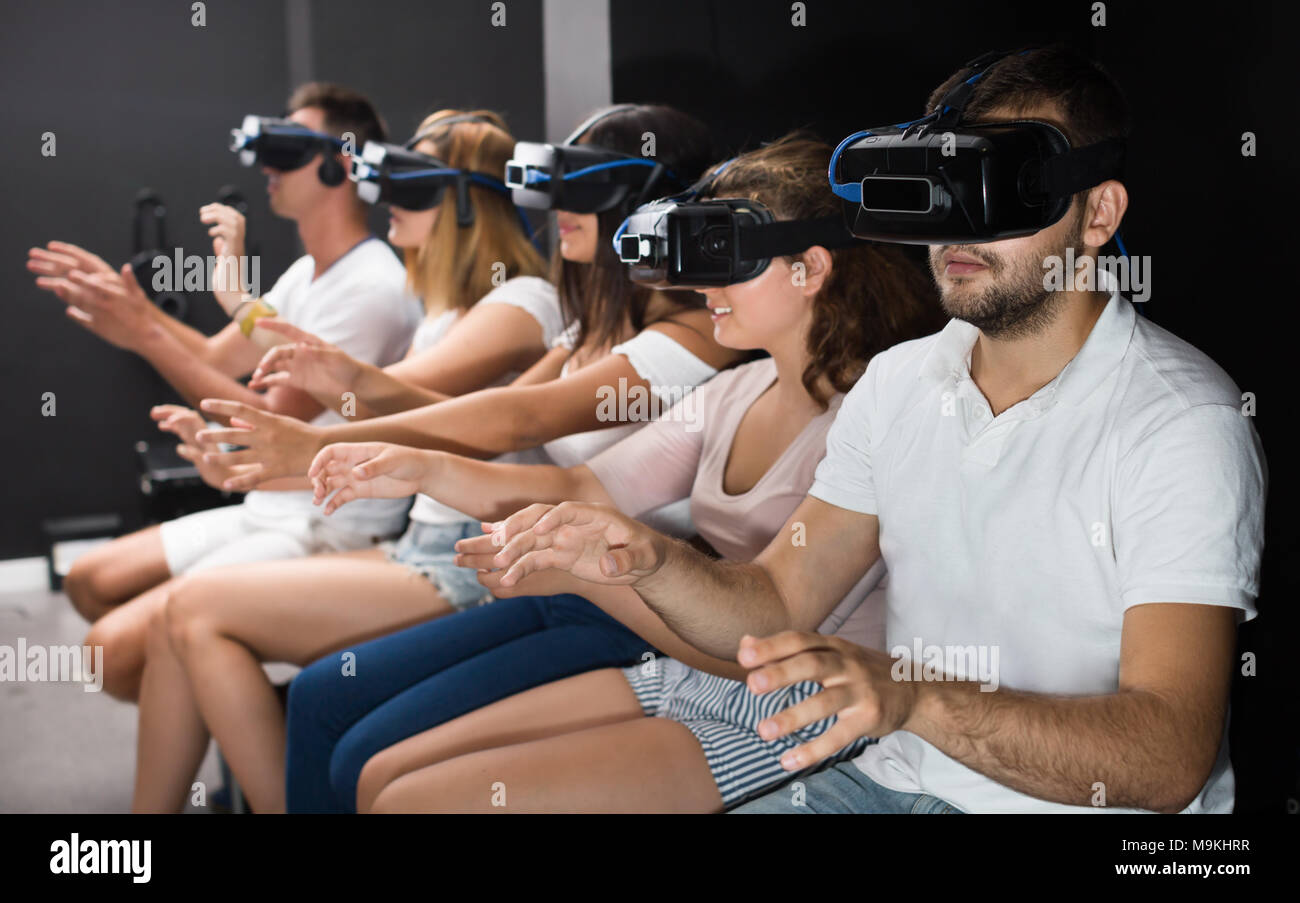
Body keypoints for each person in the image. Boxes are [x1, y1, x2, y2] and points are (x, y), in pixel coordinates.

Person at [465, 46, 1267, 814]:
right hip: (889, 781)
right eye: (938, 191)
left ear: (1099, 213)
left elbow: (1167, 757)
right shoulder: (902, 380)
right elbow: (779, 598)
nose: (956, 234)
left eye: (996, 192)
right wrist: (646, 560)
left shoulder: (1181, 422)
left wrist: (914, 695)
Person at [299, 136, 943, 813]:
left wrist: (584, 572)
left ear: (810, 268)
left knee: (414, 800)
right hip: (690, 665)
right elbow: (583, 487)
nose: (702, 286)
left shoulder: (868, 415)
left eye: (728, 261)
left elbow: (768, 637)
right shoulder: (743, 385)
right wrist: (420, 467)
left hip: (798, 707)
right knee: (380, 777)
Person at [134, 105, 739, 814]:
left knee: (351, 740)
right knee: (317, 693)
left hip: (615, 604)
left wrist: (319, 432)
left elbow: (512, 417)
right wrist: (330, 404)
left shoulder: (683, 335)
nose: (554, 208)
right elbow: (428, 404)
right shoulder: (589, 321)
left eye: (579, 188)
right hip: (544, 579)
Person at [26, 83, 420, 701]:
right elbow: (217, 357)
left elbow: (264, 420)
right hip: (270, 509)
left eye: (287, 149)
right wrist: (139, 319)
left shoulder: (371, 288)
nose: (267, 166)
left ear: (339, 162)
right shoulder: (307, 273)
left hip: (326, 527)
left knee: (110, 655)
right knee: (90, 581)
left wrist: (148, 337)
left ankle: (250, 715)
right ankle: (226, 699)